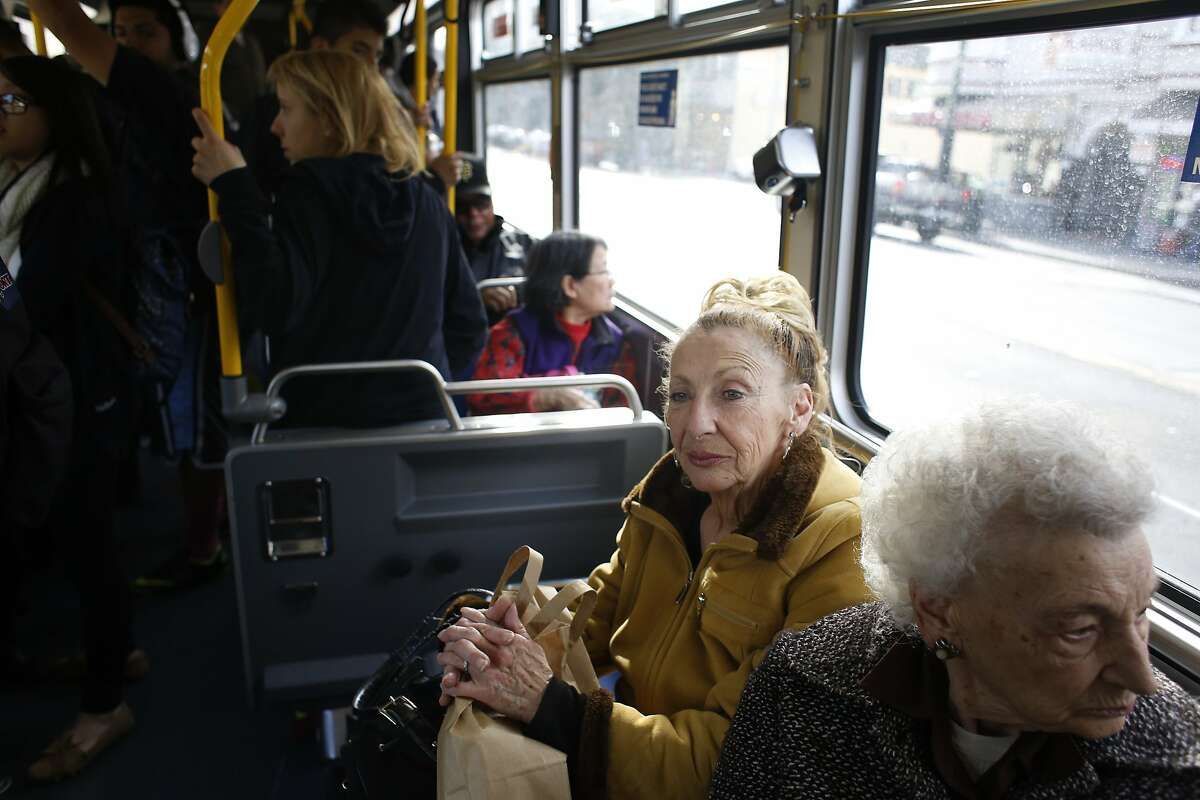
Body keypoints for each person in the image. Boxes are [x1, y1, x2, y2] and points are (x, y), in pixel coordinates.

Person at [437, 274, 872, 798]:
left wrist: (550, 707)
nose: (696, 424)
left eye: (731, 394)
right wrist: (510, 639)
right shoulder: (671, 498)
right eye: (682, 396)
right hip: (626, 730)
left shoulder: (839, 541)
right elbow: (597, 618)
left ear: (798, 409)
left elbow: (736, 758)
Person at [709, 401, 1200, 798]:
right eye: (1079, 631)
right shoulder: (804, 688)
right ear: (939, 611)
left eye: (1140, 615)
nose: (1141, 677)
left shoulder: (1173, 754)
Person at [31, 0, 226, 593]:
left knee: (188, 419)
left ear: (175, 40)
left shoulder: (154, 89)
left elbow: (63, 22)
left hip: (175, 275)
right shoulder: (100, 108)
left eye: (146, 31)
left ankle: (201, 546)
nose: (131, 43)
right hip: (144, 270)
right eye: (120, 33)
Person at [191, 49, 487, 428]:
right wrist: (422, 393)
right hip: (425, 423)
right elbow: (469, 325)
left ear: (329, 118)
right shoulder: (426, 199)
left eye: (286, 109)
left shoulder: (308, 192)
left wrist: (234, 188)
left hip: (320, 425)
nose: (275, 126)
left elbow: (274, 304)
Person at [0, 55, 142, 783]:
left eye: (12, 100)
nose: (1, 112)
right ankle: (98, 653)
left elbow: (30, 299)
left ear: (53, 111)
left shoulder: (75, 197)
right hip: (32, 398)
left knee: (88, 543)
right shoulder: (15, 189)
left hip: (81, 393)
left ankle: (105, 701)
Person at [467, 230, 631, 412]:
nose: (611, 281)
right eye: (603, 271)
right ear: (570, 286)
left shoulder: (612, 340)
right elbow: (484, 397)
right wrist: (545, 396)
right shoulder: (513, 332)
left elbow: (621, 406)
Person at [243, 0, 387, 195]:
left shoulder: (379, 116)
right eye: (358, 51)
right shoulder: (268, 115)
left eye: (377, 56)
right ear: (321, 48)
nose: (371, 66)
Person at [455, 155, 534, 323]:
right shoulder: (440, 250)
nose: (473, 215)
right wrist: (477, 299)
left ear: (492, 203)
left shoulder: (524, 246)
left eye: (481, 204)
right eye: (462, 206)